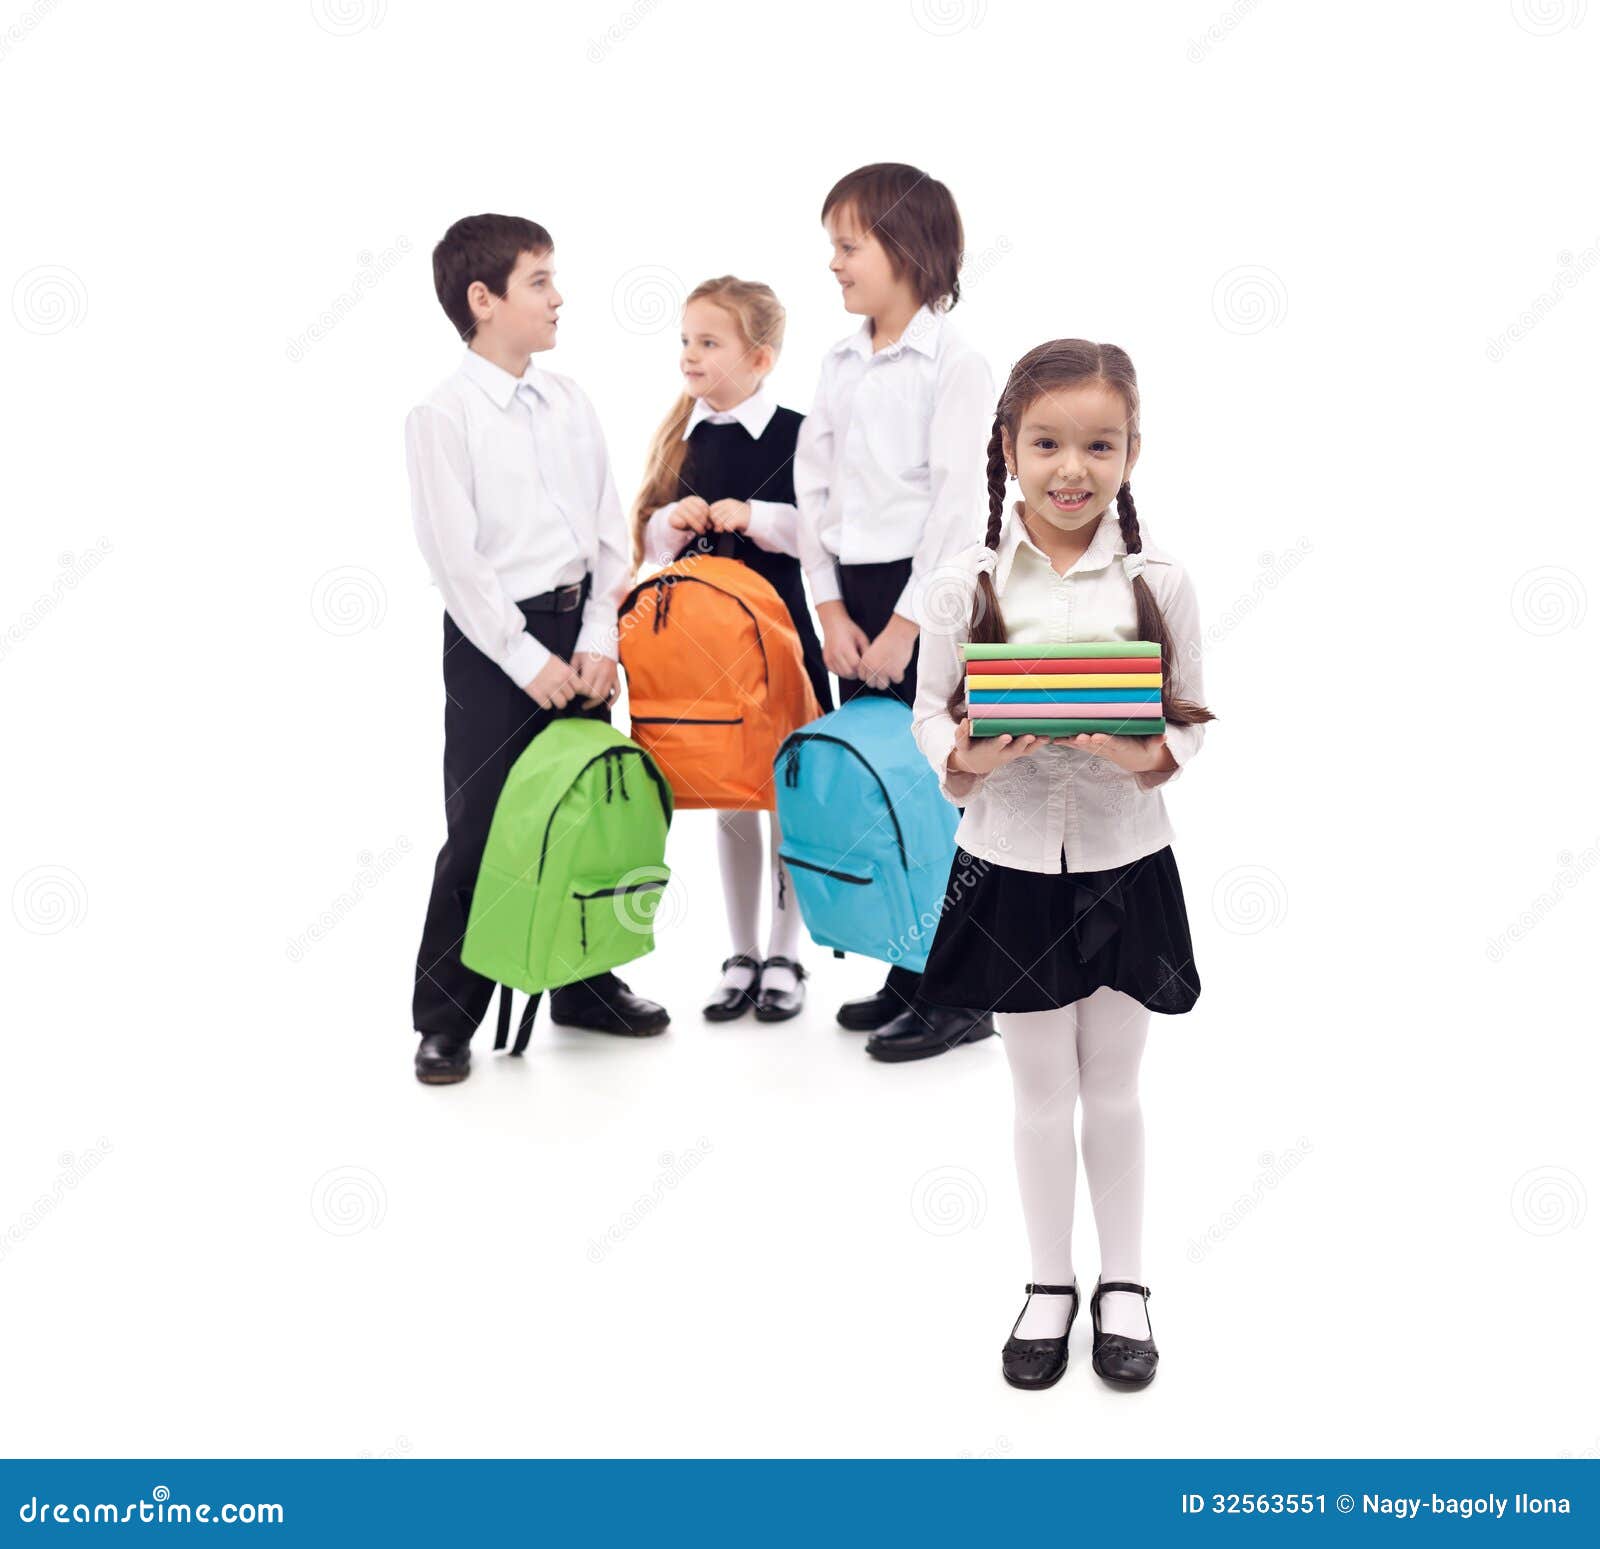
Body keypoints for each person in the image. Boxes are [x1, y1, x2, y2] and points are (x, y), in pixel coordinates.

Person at [910, 339, 1216, 1389]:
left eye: (1099, 444)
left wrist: (1148, 756)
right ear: (1008, 447)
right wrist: (961, 756)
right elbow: (926, 709)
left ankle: (1123, 1282)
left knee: (1116, 1086)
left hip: (1125, 859)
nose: (1070, 468)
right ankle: (1049, 1283)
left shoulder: (1157, 580)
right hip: (1004, 859)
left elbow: (1190, 721)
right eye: (1045, 443)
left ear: (1132, 451)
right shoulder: (966, 579)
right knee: (1038, 1087)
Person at [406, 213, 670, 1085]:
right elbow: (457, 563)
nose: (558, 298)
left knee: (592, 814)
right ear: (483, 301)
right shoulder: (441, 416)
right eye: (539, 282)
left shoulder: (570, 401)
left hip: (582, 632)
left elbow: (607, 527)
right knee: (482, 833)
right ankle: (447, 1017)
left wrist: (599, 640)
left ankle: (584, 985)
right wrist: (529, 662)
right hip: (496, 645)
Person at [792, 161, 996, 1062]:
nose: (834, 264)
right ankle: (906, 969)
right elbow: (813, 494)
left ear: (909, 251)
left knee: (943, 789)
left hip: (933, 603)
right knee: (885, 790)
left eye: (849, 246)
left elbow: (960, 509)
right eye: (830, 247)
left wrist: (910, 626)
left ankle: (961, 991)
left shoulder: (956, 364)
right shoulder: (837, 364)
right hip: (857, 602)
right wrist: (831, 611)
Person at [633, 277, 830, 1023]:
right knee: (728, 794)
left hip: (782, 645)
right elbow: (645, 544)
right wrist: (671, 524)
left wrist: (758, 516)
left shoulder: (801, 434)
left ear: (760, 357)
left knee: (788, 794)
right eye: (685, 339)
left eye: (708, 342)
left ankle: (787, 952)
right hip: (703, 653)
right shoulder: (680, 437)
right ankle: (741, 950)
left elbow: (827, 533)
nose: (690, 354)